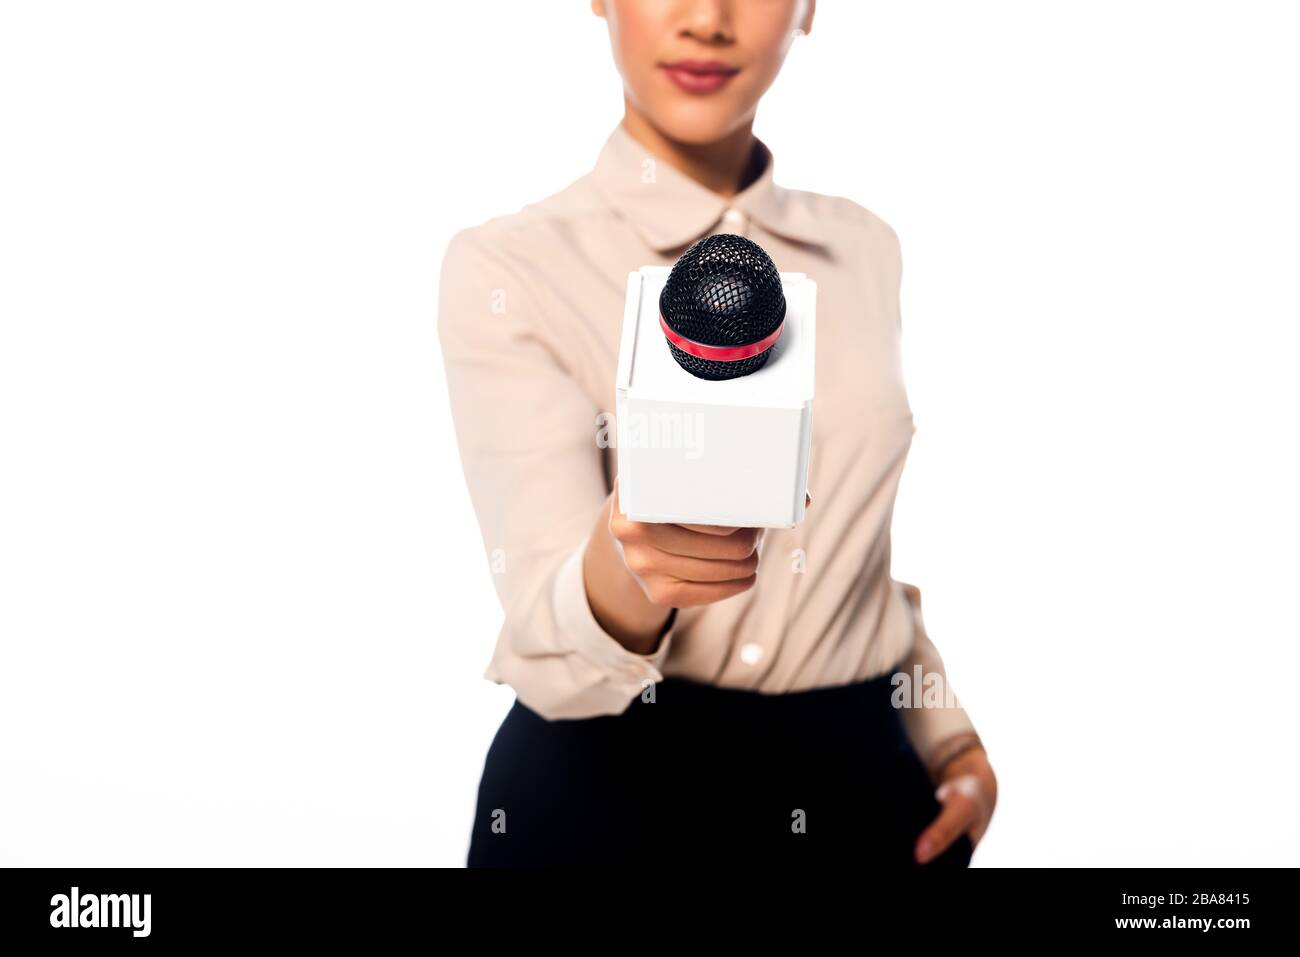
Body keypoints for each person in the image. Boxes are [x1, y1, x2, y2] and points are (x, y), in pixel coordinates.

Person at [438, 0, 997, 867]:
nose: (707, 18)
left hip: (858, 791)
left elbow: (863, 561)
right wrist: (630, 565)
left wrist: (945, 733)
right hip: (610, 799)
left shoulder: (866, 250)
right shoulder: (511, 264)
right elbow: (547, 627)